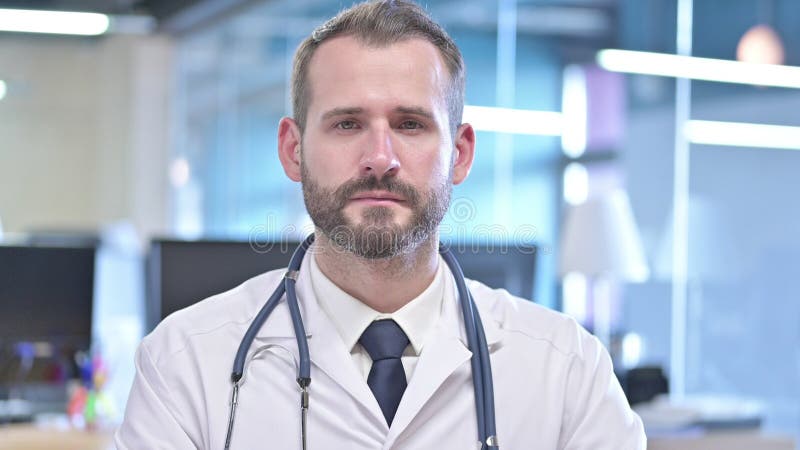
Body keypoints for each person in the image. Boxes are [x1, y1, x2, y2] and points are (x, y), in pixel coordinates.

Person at [115, 1, 646, 448]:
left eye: (410, 124)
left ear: (459, 154)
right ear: (293, 150)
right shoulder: (184, 365)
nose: (379, 157)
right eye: (347, 124)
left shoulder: (567, 370)